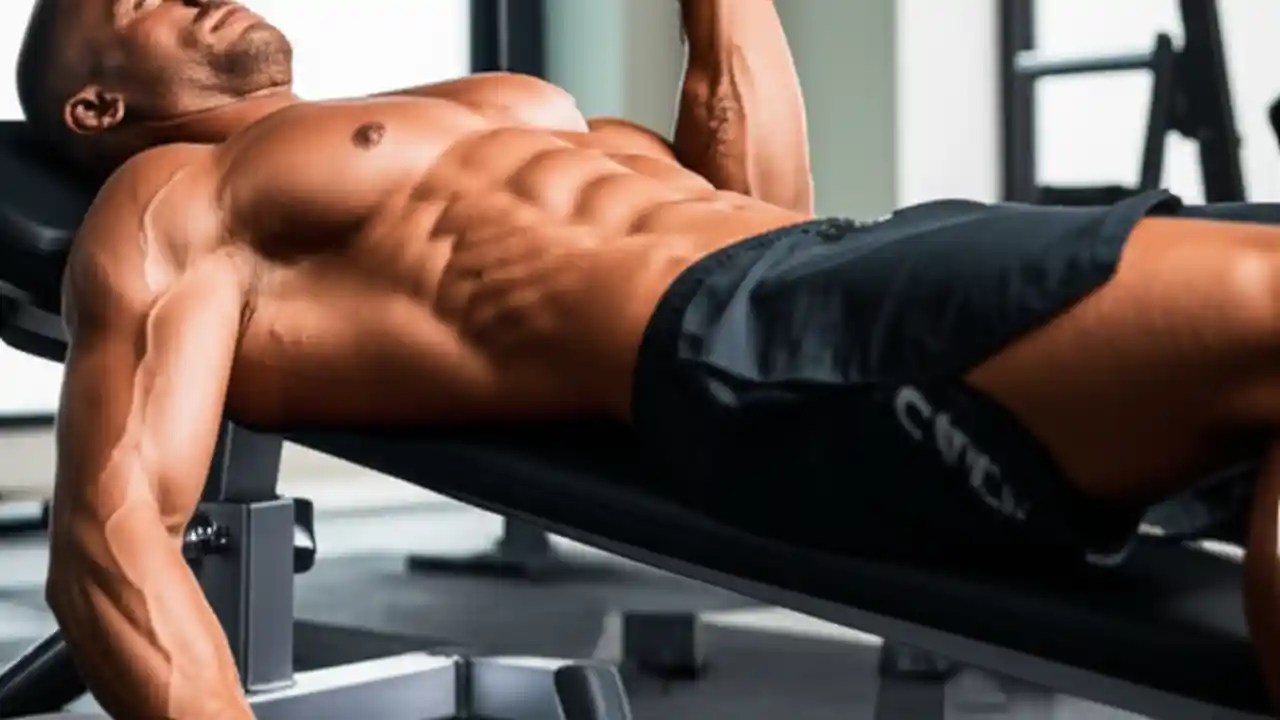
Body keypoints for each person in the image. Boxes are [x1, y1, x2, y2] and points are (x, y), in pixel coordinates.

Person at [14, 0, 1280, 716]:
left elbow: (767, 206)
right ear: (93, 106)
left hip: (837, 272)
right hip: (754, 340)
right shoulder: (172, 193)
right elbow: (112, 543)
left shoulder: (469, 111)